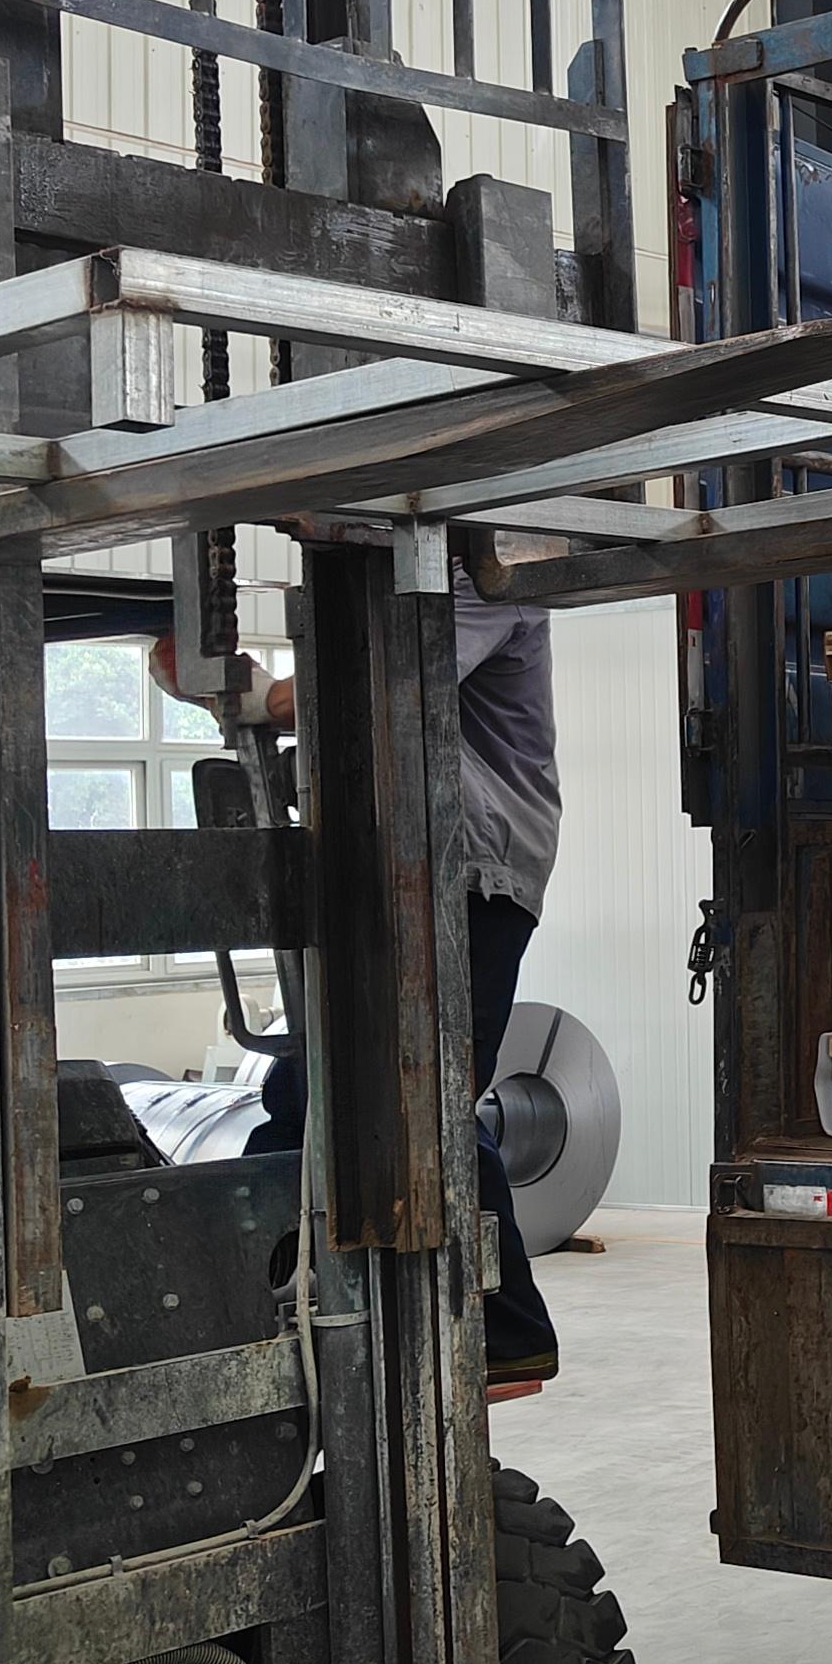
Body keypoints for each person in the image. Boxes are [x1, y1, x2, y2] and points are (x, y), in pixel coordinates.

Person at [162, 578, 565, 1373]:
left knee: (428, 1099)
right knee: (305, 1090)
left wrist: (248, 695)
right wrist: (213, 678)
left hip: (473, 875)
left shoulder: (488, 582)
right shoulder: (387, 587)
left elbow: (373, 684)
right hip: (391, 866)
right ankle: (266, 1289)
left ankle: (509, 1327)